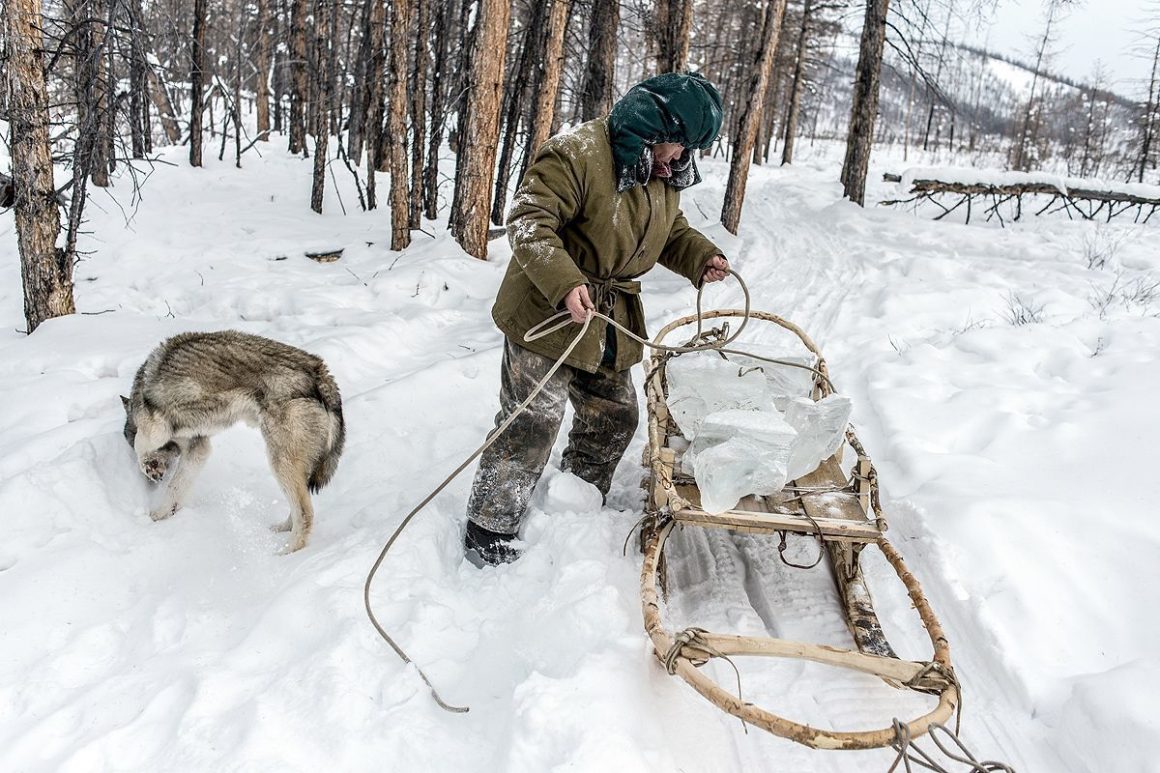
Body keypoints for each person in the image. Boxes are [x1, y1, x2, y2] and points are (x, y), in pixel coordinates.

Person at [465, 72, 731, 566]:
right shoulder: (576, 154)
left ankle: (577, 498)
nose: (678, 160)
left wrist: (700, 256)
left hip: (608, 317)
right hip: (547, 308)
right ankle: (489, 526)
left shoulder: (659, 173)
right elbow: (528, 220)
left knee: (616, 415)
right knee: (533, 420)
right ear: (648, 129)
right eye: (675, 147)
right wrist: (565, 283)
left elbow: (669, 230)